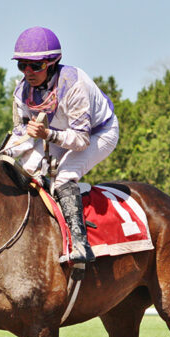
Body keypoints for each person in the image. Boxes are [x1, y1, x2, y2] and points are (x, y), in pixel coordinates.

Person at [8, 26, 119, 264]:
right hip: (57, 131)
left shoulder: (75, 84)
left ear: (52, 63)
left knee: (64, 175)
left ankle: (80, 243)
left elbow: (80, 140)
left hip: (99, 132)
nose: (28, 72)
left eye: (35, 66)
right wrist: (2, 155)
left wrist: (47, 134)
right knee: (27, 169)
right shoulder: (22, 91)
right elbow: (21, 135)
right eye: (22, 66)